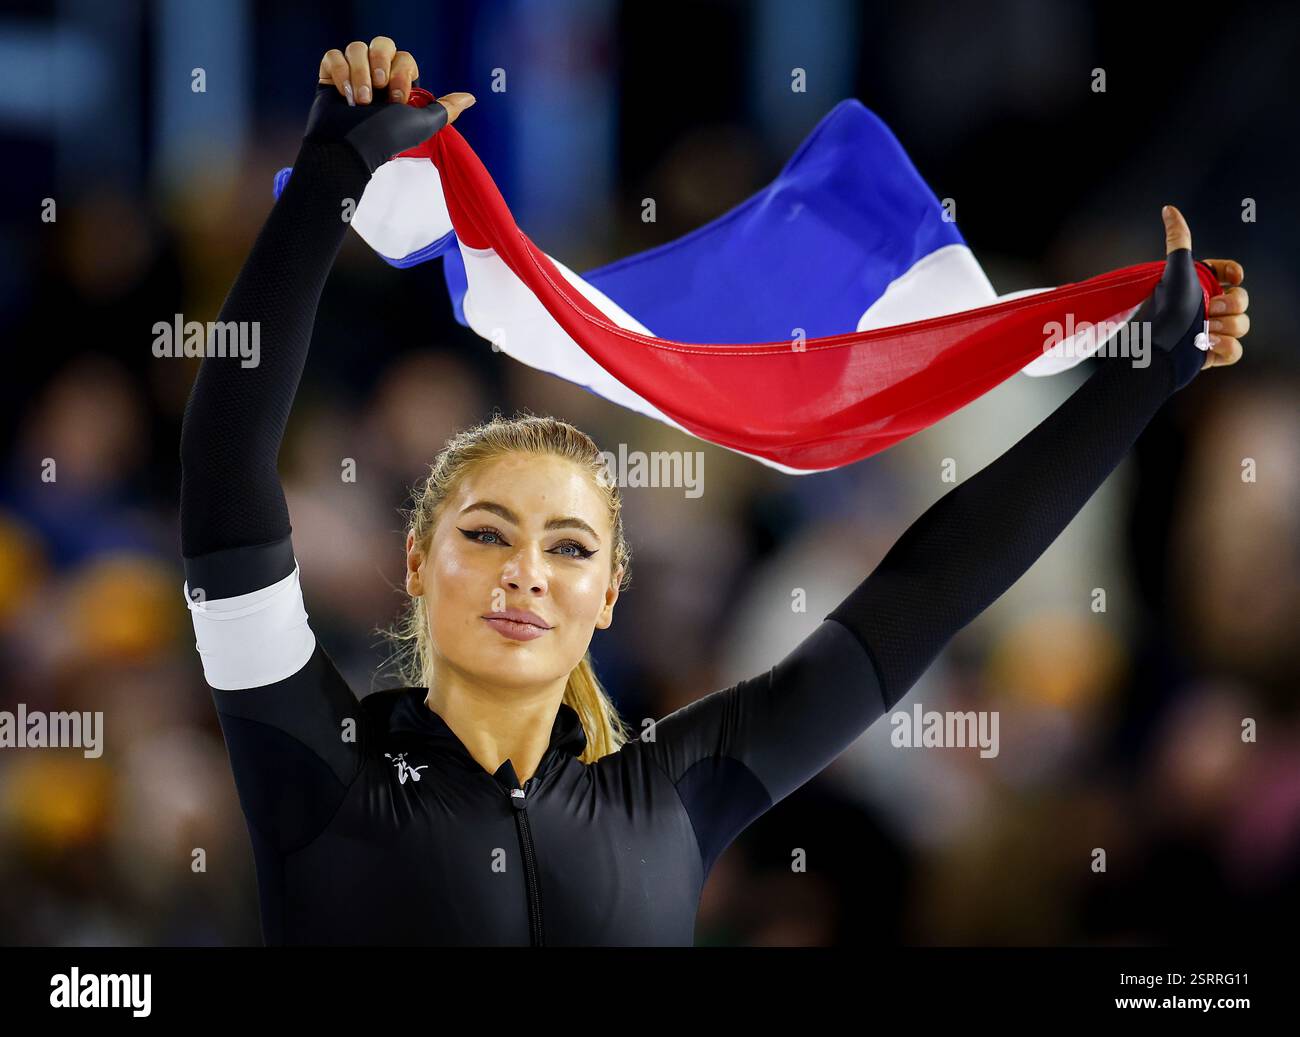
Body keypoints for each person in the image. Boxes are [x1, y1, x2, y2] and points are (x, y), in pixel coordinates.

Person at [178, 37, 1249, 946]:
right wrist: (327, 180)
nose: (525, 572)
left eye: (568, 547)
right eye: (488, 530)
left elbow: (927, 588)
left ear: (609, 594)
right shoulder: (313, 762)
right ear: (416, 560)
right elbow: (224, 472)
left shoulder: (672, 796)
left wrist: (1139, 381)